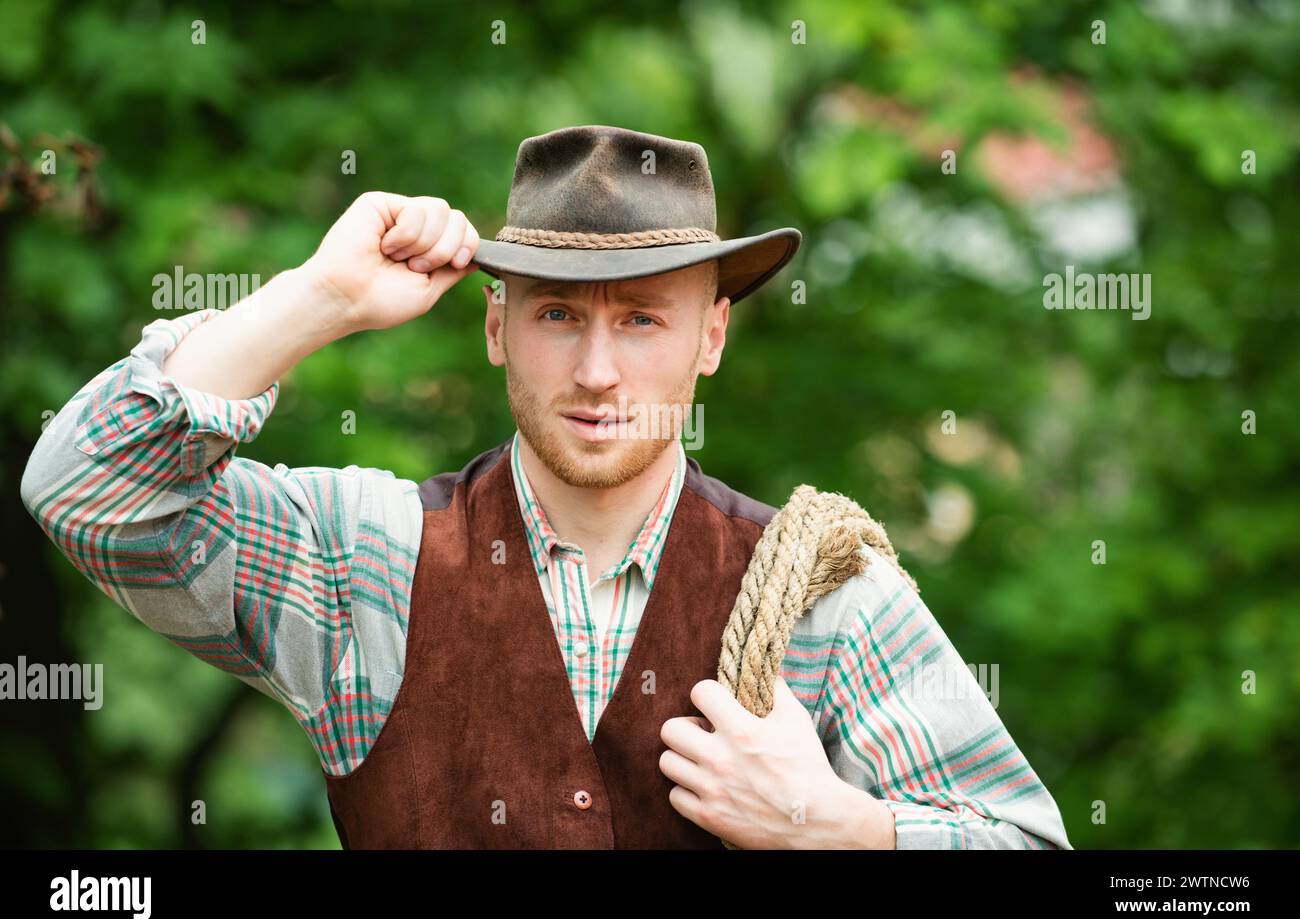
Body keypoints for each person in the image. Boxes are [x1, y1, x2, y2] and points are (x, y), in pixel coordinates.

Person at [21, 124, 1072, 849]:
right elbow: (85, 488)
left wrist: (835, 826)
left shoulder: (819, 596)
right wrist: (322, 298)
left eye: (644, 318)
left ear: (711, 337)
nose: (599, 371)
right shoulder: (365, 560)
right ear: (495, 328)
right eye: (559, 315)